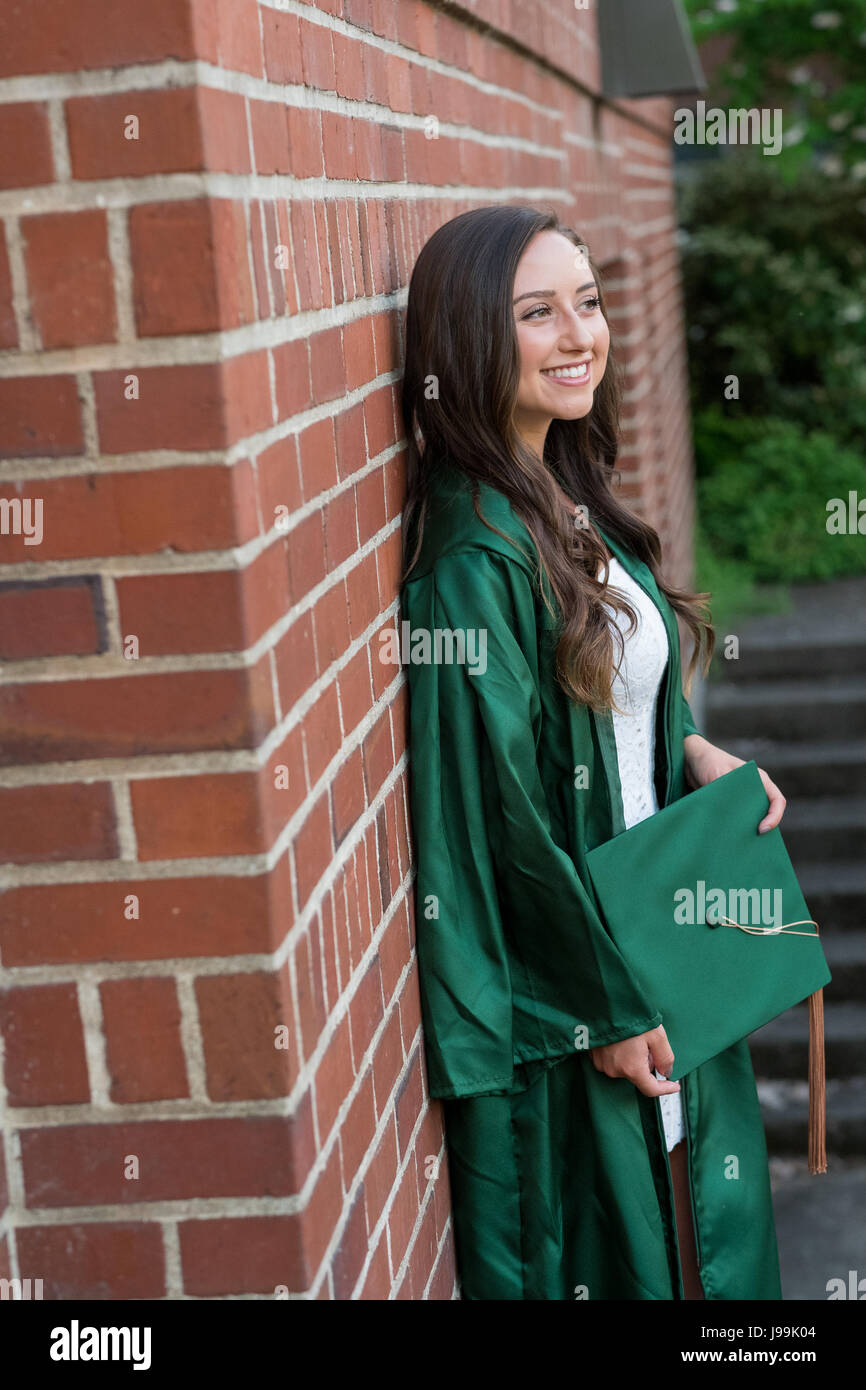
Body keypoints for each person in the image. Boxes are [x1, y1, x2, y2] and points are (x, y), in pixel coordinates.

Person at [398, 205, 786, 1300]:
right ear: (467, 336)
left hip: (655, 946)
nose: (579, 333)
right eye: (536, 312)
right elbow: (502, 818)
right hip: (587, 1002)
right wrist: (601, 1009)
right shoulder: (471, 555)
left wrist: (692, 749)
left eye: (589, 300)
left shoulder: (562, 493)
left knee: (706, 1253)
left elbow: (606, 703)